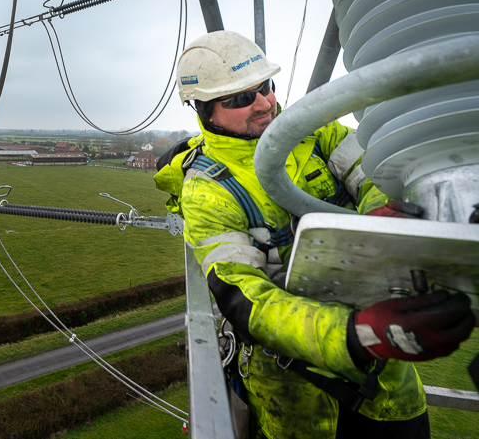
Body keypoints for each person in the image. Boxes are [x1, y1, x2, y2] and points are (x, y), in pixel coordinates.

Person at [154, 31, 475, 439]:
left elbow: (376, 172)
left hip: (386, 383)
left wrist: (380, 215)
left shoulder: (313, 132)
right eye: (241, 98)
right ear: (205, 112)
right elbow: (247, 300)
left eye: (266, 87)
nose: (265, 104)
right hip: (297, 396)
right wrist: (358, 333)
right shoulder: (207, 191)